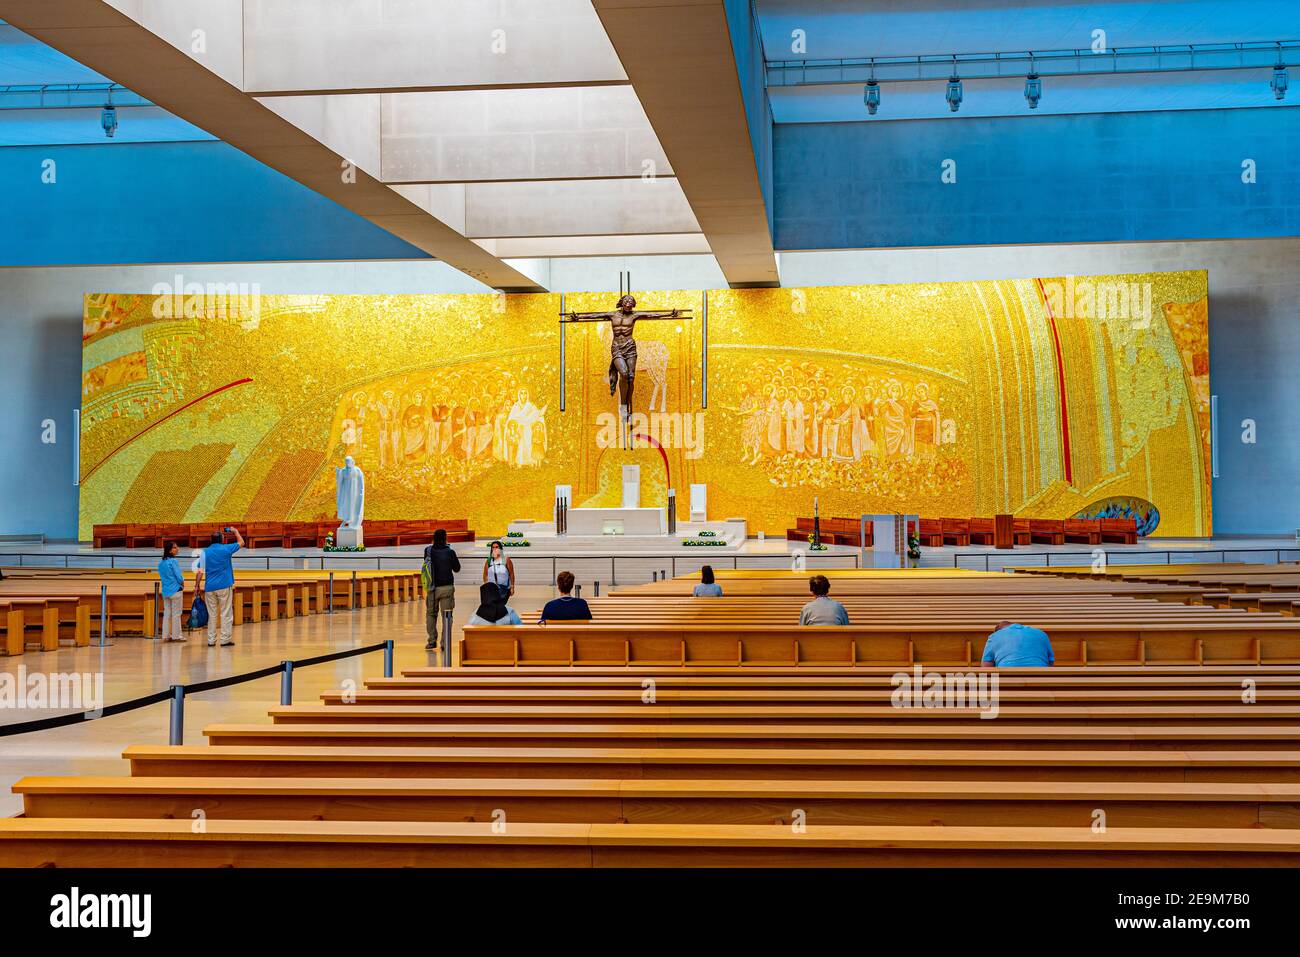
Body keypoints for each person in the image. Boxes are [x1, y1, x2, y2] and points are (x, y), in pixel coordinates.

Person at [195, 526, 244, 647]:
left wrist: (197, 585)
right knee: (226, 613)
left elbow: (200, 571)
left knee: (212, 614)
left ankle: (211, 640)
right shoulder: (226, 549)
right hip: (224, 584)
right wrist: (235, 531)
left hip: (210, 587)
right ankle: (225, 639)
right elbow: (241, 543)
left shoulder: (204, 552)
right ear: (222, 539)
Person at [423, 528, 462, 651]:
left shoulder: (428, 551)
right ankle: (444, 643)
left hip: (431, 588)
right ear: (445, 538)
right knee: (447, 616)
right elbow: (457, 568)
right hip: (446, 588)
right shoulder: (450, 552)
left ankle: (431, 640)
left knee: (431, 614)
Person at [981, 620, 1055, 668]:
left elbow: (986, 667)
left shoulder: (994, 636)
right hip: (1040, 675)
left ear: (999, 631)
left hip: (1006, 676)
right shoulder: (1042, 634)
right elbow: (1051, 662)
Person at [157, 540, 185, 642]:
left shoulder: (161, 563)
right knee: (176, 614)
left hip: (166, 591)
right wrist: (182, 583)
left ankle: (165, 635)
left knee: (167, 613)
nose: (177, 549)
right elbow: (179, 576)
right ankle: (176, 636)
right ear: (169, 550)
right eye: (175, 547)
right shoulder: (173, 561)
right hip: (175, 590)